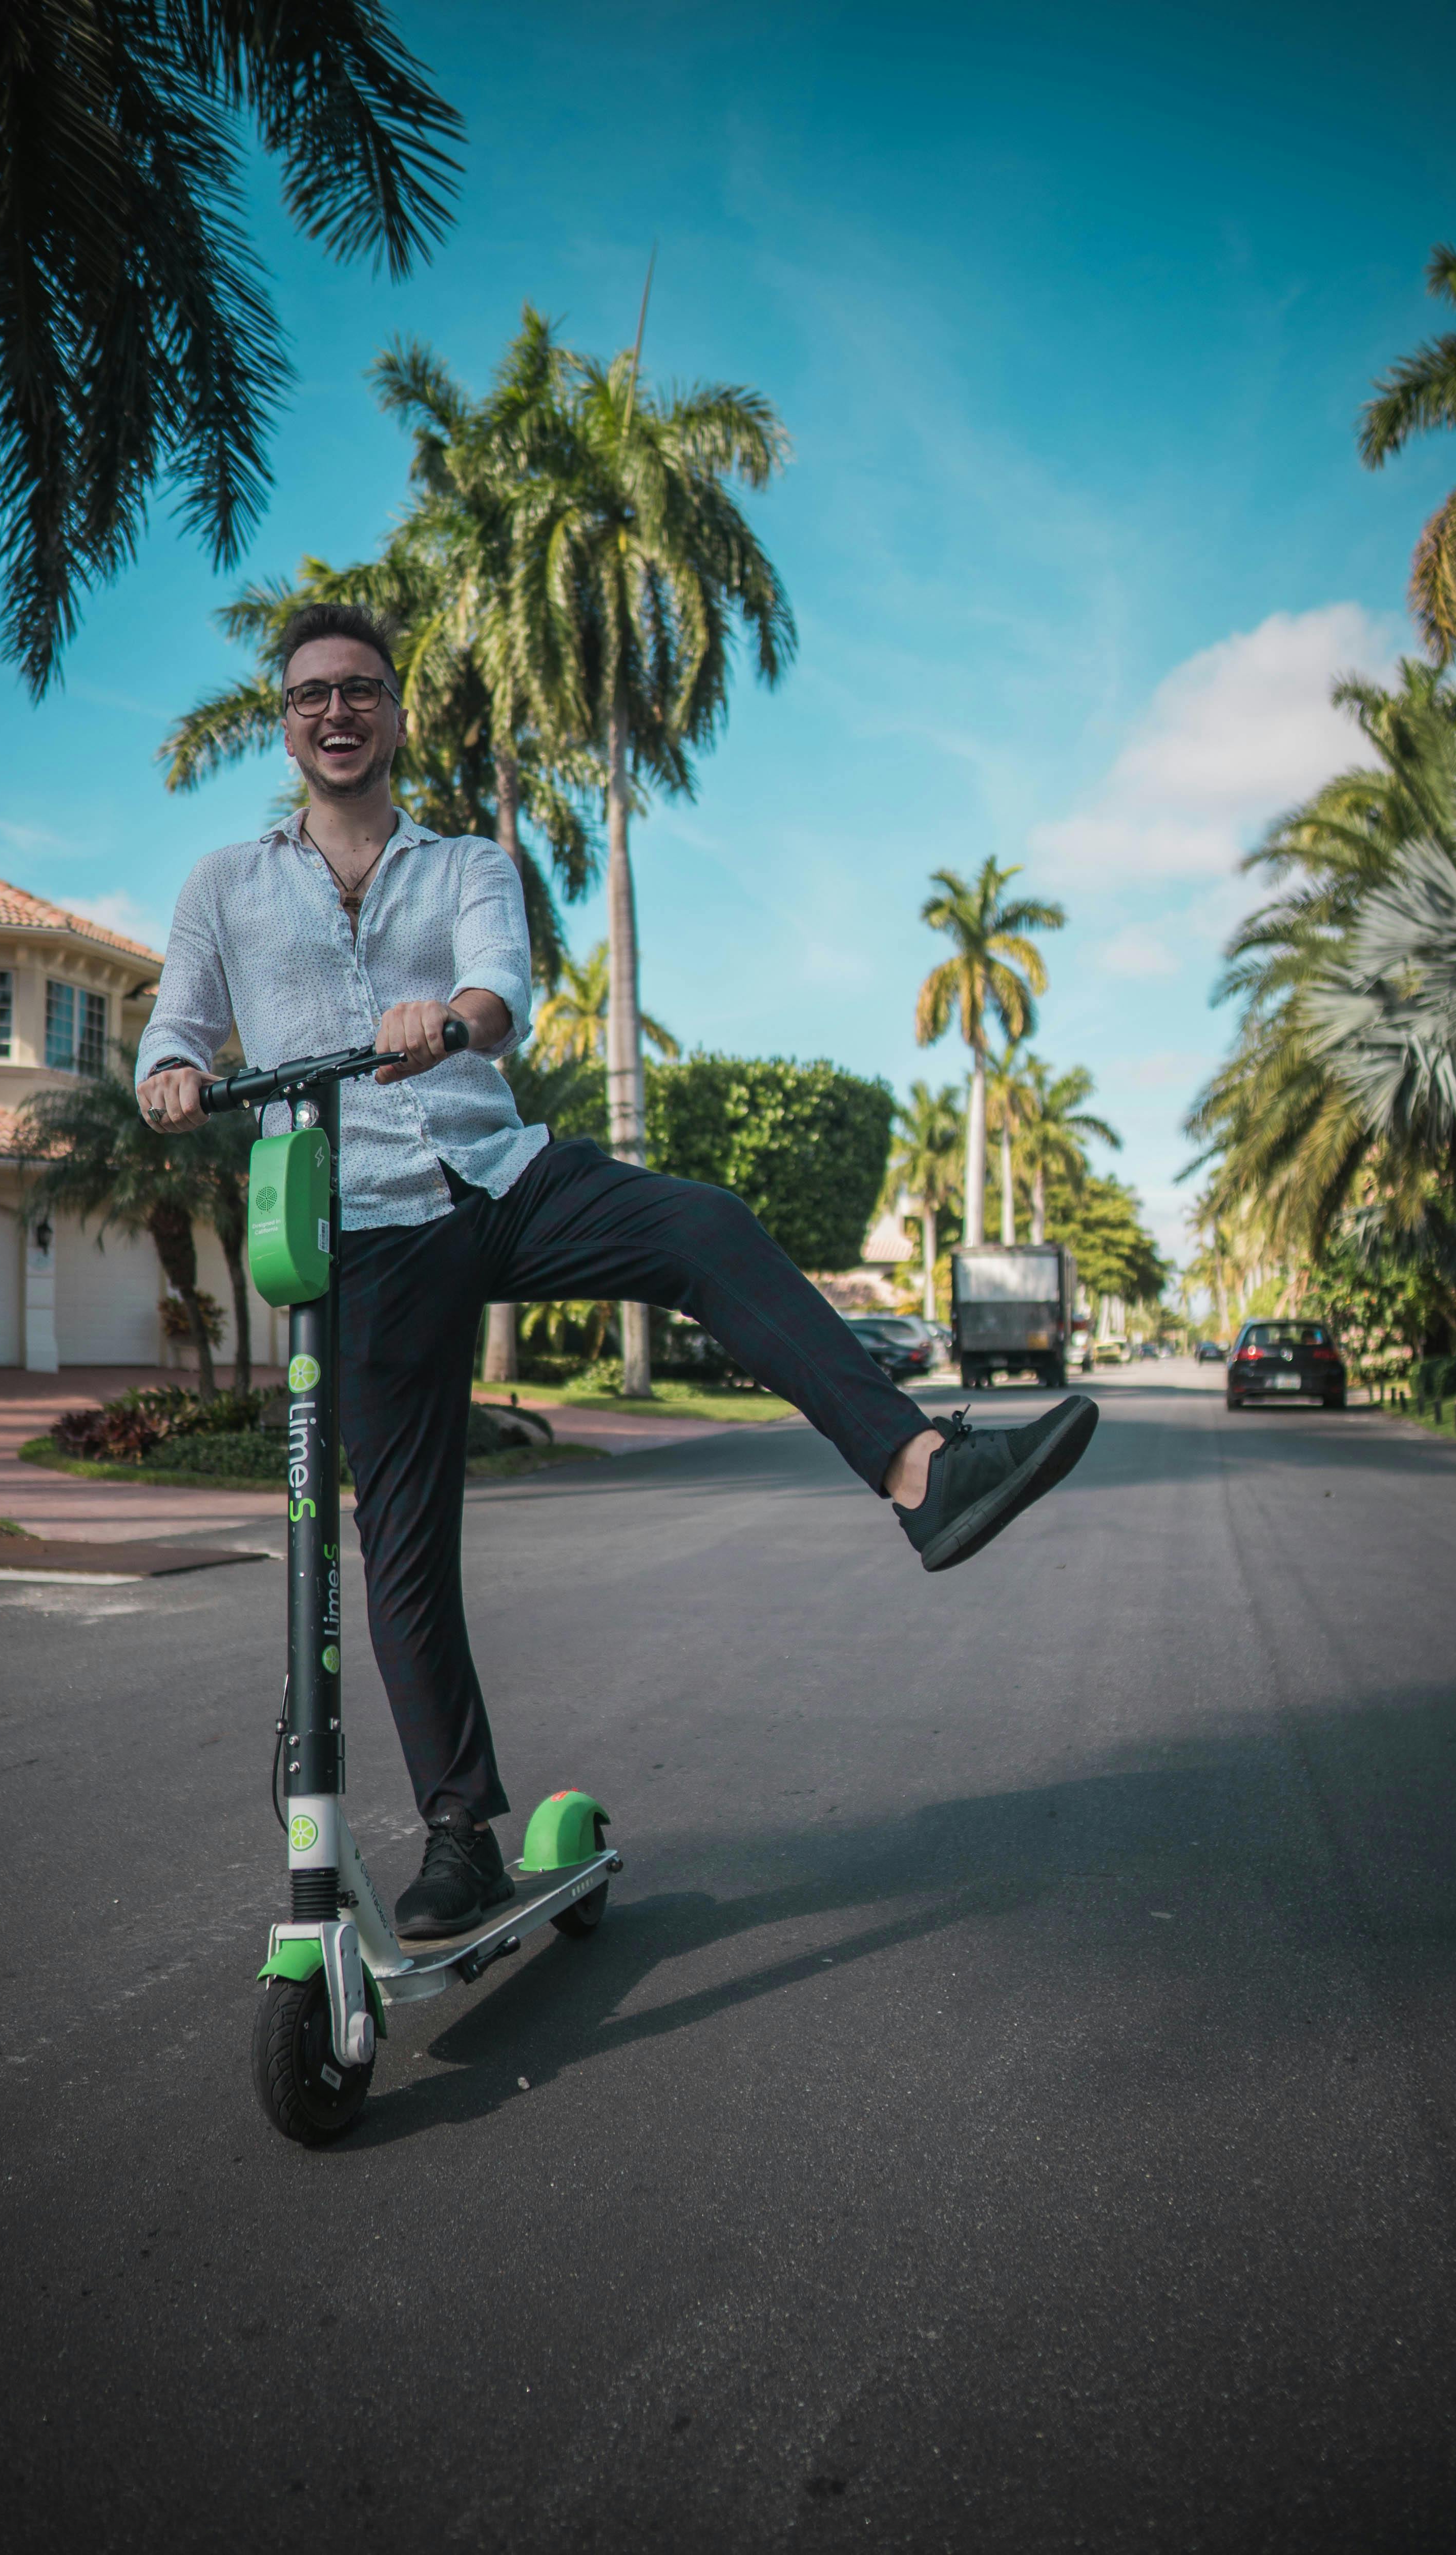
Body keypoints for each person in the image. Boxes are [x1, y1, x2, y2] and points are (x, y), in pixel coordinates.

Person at [136, 604, 1098, 1939]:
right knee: (401, 1543)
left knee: (704, 1225)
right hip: (360, 1224)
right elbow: (175, 1030)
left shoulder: (467, 863)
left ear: (397, 714)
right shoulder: (224, 887)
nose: (337, 712)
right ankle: (461, 1835)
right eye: (312, 695)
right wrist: (172, 1078)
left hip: (498, 1175)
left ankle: (921, 1470)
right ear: (286, 722)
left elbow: (498, 991)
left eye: (360, 690)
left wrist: (448, 1020)